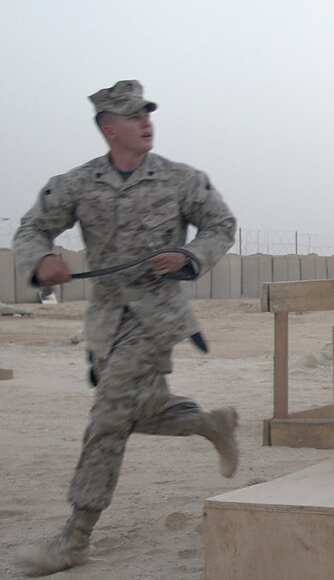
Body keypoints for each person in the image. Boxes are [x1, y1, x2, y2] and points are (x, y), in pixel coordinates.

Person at [13, 80, 239, 576]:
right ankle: (211, 423)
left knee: (109, 416)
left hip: (155, 318)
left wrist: (188, 256)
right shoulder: (77, 183)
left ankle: (75, 537)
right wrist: (42, 258)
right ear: (109, 128)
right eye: (134, 116)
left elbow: (221, 224)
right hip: (105, 323)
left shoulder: (181, 180)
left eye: (147, 113)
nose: (146, 122)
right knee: (143, 408)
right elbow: (31, 227)